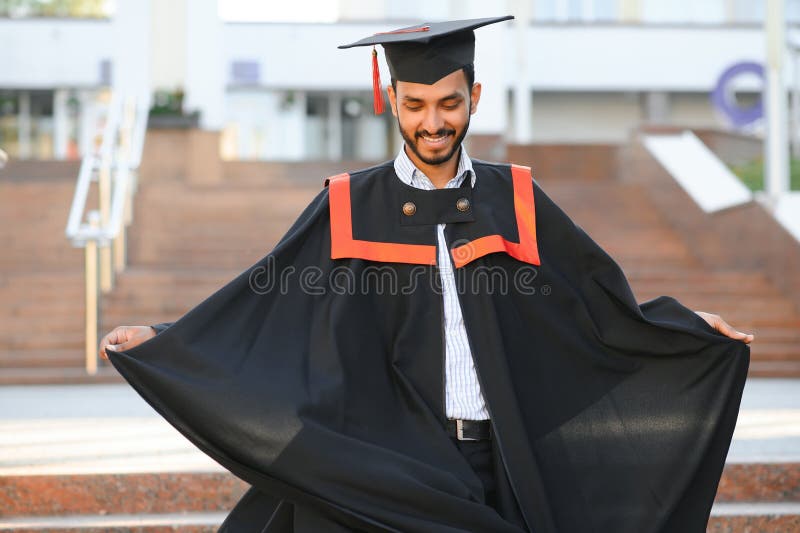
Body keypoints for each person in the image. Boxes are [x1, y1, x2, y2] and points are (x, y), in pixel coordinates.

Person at [100, 16, 753, 533]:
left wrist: (685, 329)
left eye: (448, 102)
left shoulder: (516, 199)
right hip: (389, 459)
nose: (432, 122)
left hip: (498, 457)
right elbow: (268, 307)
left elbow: (598, 305)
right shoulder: (350, 205)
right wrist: (166, 339)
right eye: (415, 104)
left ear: (474, 95)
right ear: (391, 99)